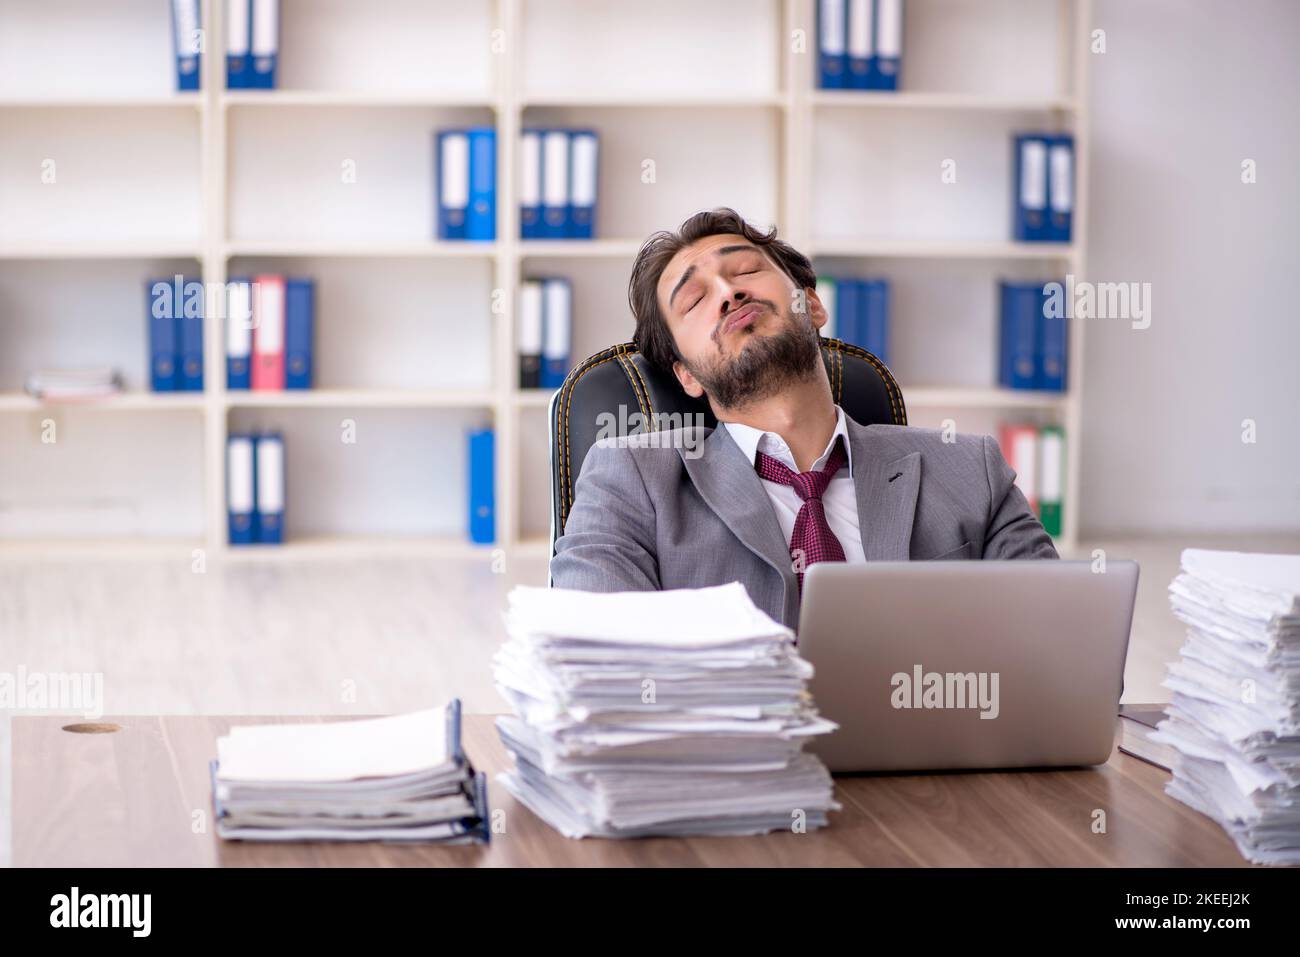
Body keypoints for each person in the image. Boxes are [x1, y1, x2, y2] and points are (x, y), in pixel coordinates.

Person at [551, 207, 1058, 629]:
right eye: (695, 298)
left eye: (746, 270)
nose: (729, 292)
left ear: (811, 304)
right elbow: (598, 670)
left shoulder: (972, 471)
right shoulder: (630, 481)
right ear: (686, 376)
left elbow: (1065, 655)